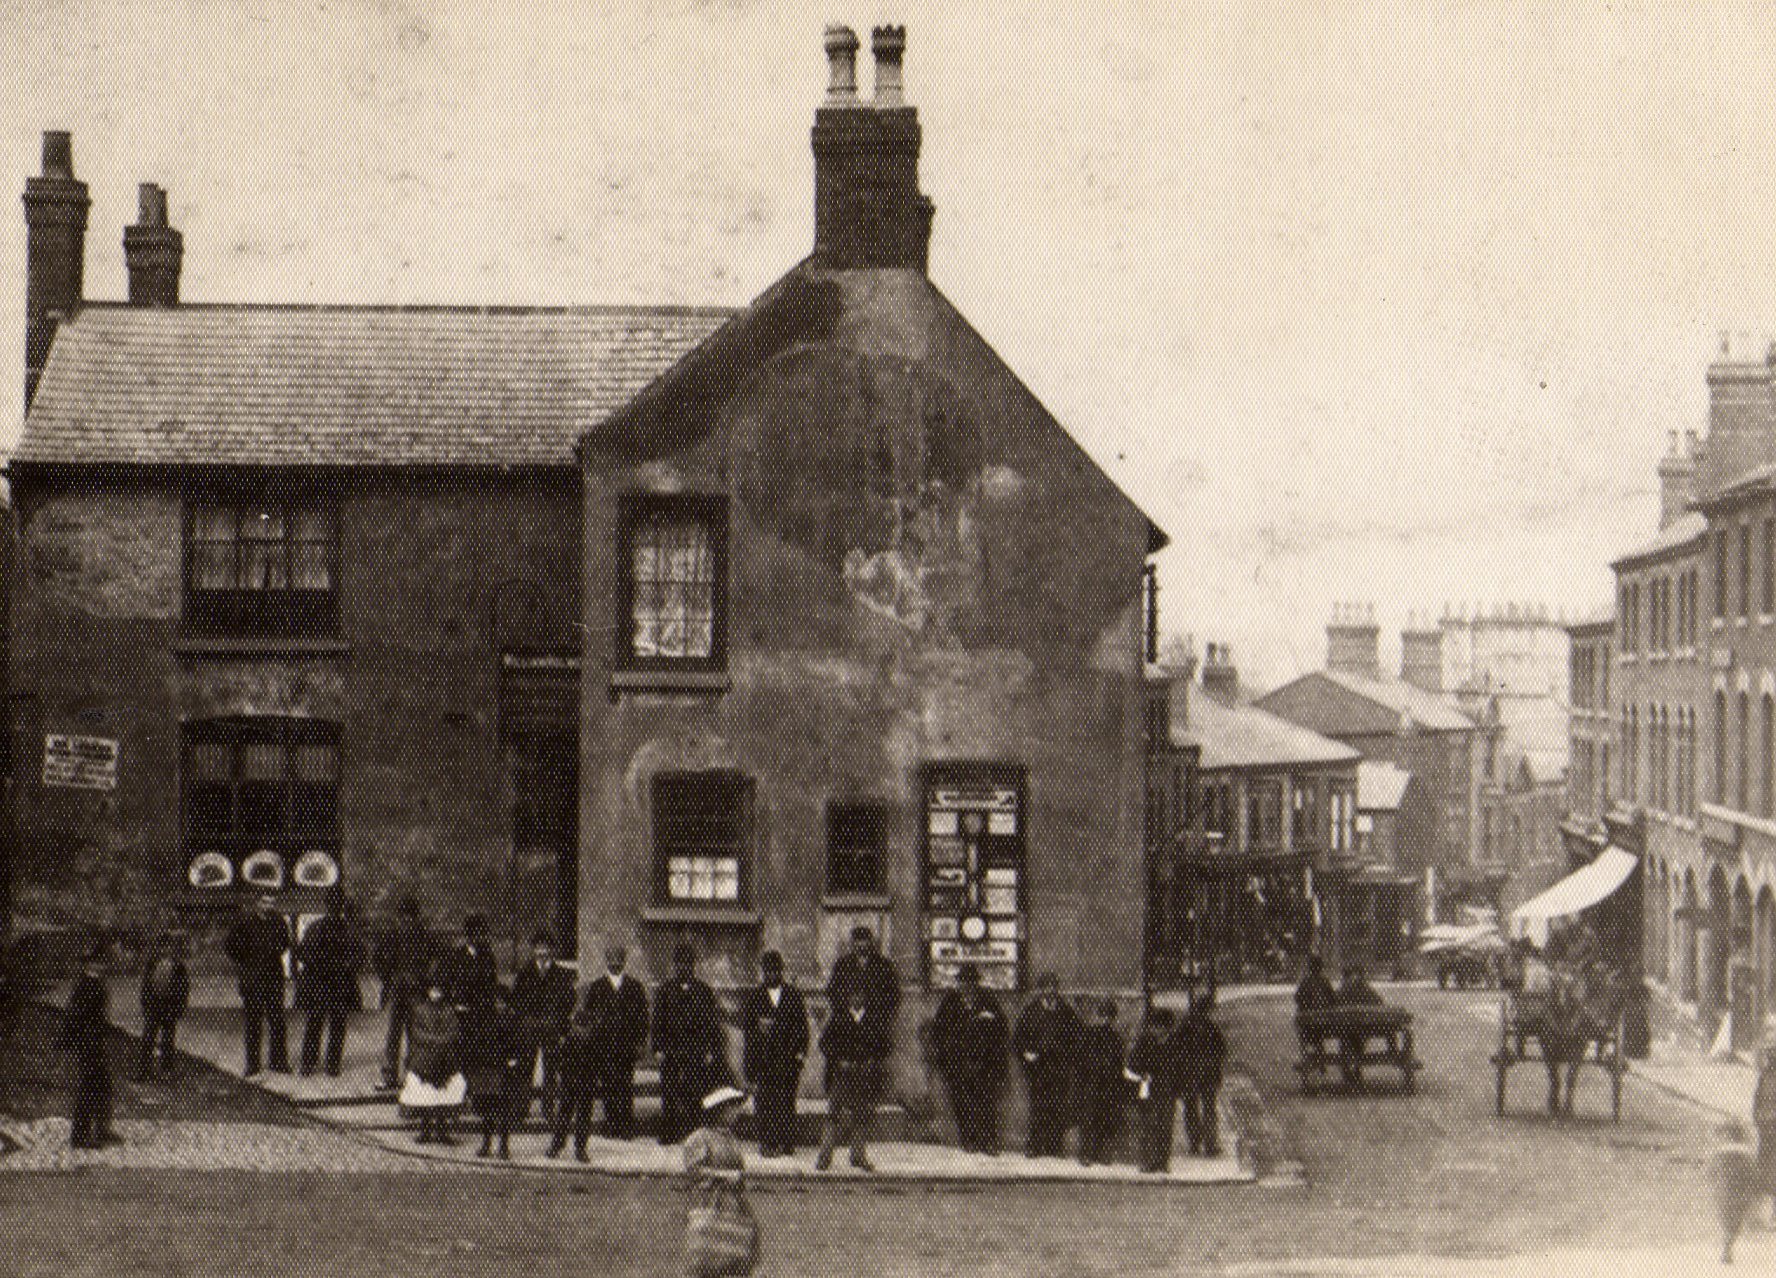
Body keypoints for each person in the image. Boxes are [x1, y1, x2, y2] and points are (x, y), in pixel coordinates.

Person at [654, 943, 730, 1145]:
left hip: (695, 1050)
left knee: (694, 1092)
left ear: (693, 966)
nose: (684, 968)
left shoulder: (703, 992)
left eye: (688, 964)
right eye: (680, 964)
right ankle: (669, 1132)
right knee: (669, 1092)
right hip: (671, 1050)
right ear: (674, 965)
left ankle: (692, 1134)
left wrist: (712, 1050)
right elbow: (658, 1022)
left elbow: (712, 1023)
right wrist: (658, 1048)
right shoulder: (665, 990)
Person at [931, 963, 1009, 1155]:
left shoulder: (988, 1000)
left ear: (977, 983)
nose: (967, 986)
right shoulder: (950, 1002)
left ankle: (989, 1142)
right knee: (963, 1103)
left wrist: (995, 1056)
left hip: (985, 1063)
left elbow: (1002, 1029)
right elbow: (938, 1032)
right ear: (958, 983)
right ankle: (969, 1140)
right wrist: (946, 1057)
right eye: (963, 982)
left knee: (986, 1104)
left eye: (971, 982)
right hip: (959, 1063)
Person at [682, 1086, 759, 1278]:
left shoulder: (731, 1138)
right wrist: (724, 1176)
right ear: (719, 1111)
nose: (736, 1112)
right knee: (709, 1255)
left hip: (735, 1204)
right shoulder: (700, 1138)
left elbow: (739, 1170)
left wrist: (740, 1180)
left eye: (736, 1107)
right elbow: (694, 1171)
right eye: (731, 1107)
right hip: (709, 1203)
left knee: (740, 1252)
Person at [739, 949, 808, 1158]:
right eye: (768, 971)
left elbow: (802, 1028)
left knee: (786, 1101)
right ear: (763, 972)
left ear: (781, 971)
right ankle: (767, 1142)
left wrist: (800, 1054)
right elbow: (749, 1034)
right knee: (765, 1102)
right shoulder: (755, 997)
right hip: (764, 1061)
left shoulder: (793, 996)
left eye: (775, 970)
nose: (772, 975)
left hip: (787, 1060)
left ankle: (786, 1142)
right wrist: (750, 1067)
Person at [816, 981, 889, 1172]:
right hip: (842, 1074)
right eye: (853, 994)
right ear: (848, 997)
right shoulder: (839, 1018)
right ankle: (824, 1156)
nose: (857, 999)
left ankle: (858, 1155)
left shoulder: (874, 1019)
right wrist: (839, 1059)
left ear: (865, 997)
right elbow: (824, 1043)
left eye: (860, 994)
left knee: (861, 1115)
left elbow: (885, 1046)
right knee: (833, 1113)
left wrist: (872, 1059)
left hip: (864, 1074)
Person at [295, 886, 364, 1077]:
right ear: (327, 906)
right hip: (321, 983)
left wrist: (348, 967)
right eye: (332, 905)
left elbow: (360, 955)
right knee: (316, 1023)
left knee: (335, 1023)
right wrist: (316, 965)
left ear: (340, 907)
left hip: (339, 984)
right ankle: (310, 1062)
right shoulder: (317, 928)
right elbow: (302, 952)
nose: (334, 909)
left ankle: (328, 1064)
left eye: (337, 906)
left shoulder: (347, 929)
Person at [583, 945, 650, 1139]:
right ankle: (611, 1125)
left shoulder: (634, 987)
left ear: (624, 961)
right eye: (611, 959)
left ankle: (626, 1126)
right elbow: (588, 1017)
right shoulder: (597, 987)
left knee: (625, 1085)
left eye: (618, 959)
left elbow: (642, 1017)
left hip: (626, 1046)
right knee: (608, 1086)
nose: (615, 963)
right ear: (606, 961)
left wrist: (640, 1041)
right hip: (604, 1047)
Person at [511, 930, 576, 1122]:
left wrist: (559, 1023)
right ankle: (521, 1108)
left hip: (551, 1026)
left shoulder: (562, 974)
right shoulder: (524, 973)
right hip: (529, 1027)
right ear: (533, 950)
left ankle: (548, 1109)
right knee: (525, 1068)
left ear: (552, 950)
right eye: (538, 947)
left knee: (551, 1069)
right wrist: (524, 1021)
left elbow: (568, 1000)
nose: (542, 951)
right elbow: (517, 999)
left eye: (545, 948)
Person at [1013, 971, 1080, 1158]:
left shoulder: (1066, 1012)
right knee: (1038, 1106)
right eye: (1046, 987)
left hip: (1059, 1068)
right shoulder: (1031, 1011)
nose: (1050, 991)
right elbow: (1019, 1038)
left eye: (1053, 987)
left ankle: (1054, 1146)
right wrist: (1027, 1054)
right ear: (1040, 990)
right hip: (1038, 1069)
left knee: (1058, 1106)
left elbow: (1077, 1038)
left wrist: (1068, 1057)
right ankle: (1034, 1146)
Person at [224, 892, 292, 1076]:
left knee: (277, 1022)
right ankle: (252, 1064)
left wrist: (274, 952)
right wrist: (246, 960)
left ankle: (278, 1062)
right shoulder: (245, 923)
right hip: (252, 980)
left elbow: (285, 943)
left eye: (272, 902)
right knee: (253, 1023)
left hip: (273, 980)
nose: (269, 906)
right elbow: (230, 945)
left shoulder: (279, 922)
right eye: (265, 902)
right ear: (257, 903)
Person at [373, 896, 434, 1090]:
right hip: (396, 990)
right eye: (403, 917)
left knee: (414, 1035)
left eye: (410, 917)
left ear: (415, 917)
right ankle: (390, 1076)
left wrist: (425, 979)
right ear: (399, 917)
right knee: (393, 1035)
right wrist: (387, 977)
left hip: (415, 992)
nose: (406, 921)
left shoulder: (424, 936)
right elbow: (377, 957)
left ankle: (412, 1075)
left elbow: (438, 959)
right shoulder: (392, 935)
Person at [59, 943, 115, 1150]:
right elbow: (74, 1016)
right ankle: (80, 1136)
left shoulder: (95, 983)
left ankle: (102, 1128)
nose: (101, 966)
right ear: (88, 965)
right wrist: (66, 1043)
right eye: (96, 963)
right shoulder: (86, 986)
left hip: (95, 1042)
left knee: (103, 1085)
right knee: (89, 1088)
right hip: (87, 1045)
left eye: (102, 962)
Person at [465, 984, 524, 1160]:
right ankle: (486, 1144)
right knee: (487, 1108)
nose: (500, 1005)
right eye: (497, 1002)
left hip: (505, 1070)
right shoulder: (486, 1019)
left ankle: (504, 1146)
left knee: (504, 1111)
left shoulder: (513, 1019)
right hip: (488, 1069)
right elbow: (478, 1042)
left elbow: (520, 1044)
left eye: (503, 1002)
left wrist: (514, 1059)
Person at [402, 978, 464, 1145]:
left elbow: (454, 1032)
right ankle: (425, 1129)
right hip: (425, 1057)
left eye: (439, 991)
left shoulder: (449, 1011)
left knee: (444, 1095)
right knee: (426, 1095)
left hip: (445, 1058)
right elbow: (416, 1032)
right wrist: (434, 1041)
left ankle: (442, 1130)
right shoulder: (420, 1010)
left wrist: (441, 1042)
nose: (436, 994)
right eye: (433, 991)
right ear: (428, 992)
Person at [1125, 1008, 1182, 1174]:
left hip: (1167, 1090)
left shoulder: (1175, 1043)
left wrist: (1178, 1088)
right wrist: (1142, 1074)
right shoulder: (1144, 1042)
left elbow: (1182, 1068)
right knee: (1148, 1126)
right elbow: (1132, 1063)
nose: (1155, 1030)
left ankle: (1162, 1162)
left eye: (1159, 1027)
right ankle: (1147, 1161)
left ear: (1167, 1028)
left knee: (1165, 1126)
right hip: (1148, 1089)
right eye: (1153, 1026)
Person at [1075, 998, 1127, 1167]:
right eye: (1103, 1015)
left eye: (1109, 1017)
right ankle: (1086, 1154)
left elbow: (1119, 1063)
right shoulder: (1089, 1035)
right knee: (1088, 1119)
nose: (1105, 1020)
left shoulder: (1116, 1039)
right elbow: (1081, 1059)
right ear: (1098, 1016)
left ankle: (1101, 1154)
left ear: (1113, 1019)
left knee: (1105, 1119)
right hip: (1091, 1083)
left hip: (1108, 1085)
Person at [1175, 996, 1227, 1157]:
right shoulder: (1211, 1027)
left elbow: (1176, 1049)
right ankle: (1210, 1145)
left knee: (1191, 1108)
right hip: (1208, 1073)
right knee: (1209, 1108)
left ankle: (1194, 1143)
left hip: (1189, 1073)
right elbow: (1222, 1050)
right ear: (1207, 1010)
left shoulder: (1184, 1026)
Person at [826, 926, 900, 1038]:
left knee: (874, 1049)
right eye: (857, 941)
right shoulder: (842, 965)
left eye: (864, 941)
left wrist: (881, 1014)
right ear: (852, 944)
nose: (861, 945)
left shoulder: (883, 965)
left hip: (874, 1021)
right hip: (846, 1021)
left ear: (871, 943)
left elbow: (893, 994)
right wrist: (847, 1007)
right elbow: (832, 991)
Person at [136, 930, 190, 1081]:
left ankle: (166, 1069)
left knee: (168, 1040)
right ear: (159, 948)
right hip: (154, 1007)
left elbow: (183, 989)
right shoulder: (152, 965)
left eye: (169, 947)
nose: (166, 950)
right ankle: (143, 1070)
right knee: (148, 1038)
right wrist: (145, 1004)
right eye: (163, 947)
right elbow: (146, 987)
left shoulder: (179, 967)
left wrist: (180, 1008)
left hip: (169, 1008)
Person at [550, 1003, 601, 1162]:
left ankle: (580, 1148)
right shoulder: (568, 1042)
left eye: (586, 1027)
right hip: (569, 1084)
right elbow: (559, 1062)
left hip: (587, 1084)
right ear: (574, 1026)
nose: (582, 1031)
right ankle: (557, 1145)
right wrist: (564, 1077)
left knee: (584, 1117)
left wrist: (595, 1079)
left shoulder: (595, 1043)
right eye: (579, 1027)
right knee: (564, 1115)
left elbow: (599, 1063)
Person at [440, 912, 500, 1018]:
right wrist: (454, 1004)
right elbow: (445, 983)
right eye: (479, 934)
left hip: (484, 1013)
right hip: (461, 1013)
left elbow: (492, 985)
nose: (483, 938)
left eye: (484, 934)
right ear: (470, 936)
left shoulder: (488, 957)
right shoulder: (456, 957)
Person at [1753, 1044, 1776, 1226]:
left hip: (1771, 1127)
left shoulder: (1767, 1075)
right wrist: (1758, 1117)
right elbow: (1757, 1098)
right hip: (1766, 1129)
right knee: (1764, 1171)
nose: (1770, 1058)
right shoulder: (1764, 1076)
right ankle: (1764, 1214)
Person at [1294, 954, 1337, 1019]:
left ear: (1309, 968)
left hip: (1308, 1014)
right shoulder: (1324, 981)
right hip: (1323, 1015)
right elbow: (1333, 998)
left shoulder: (1306, 982)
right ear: (1321, 967)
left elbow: (1297, 998)